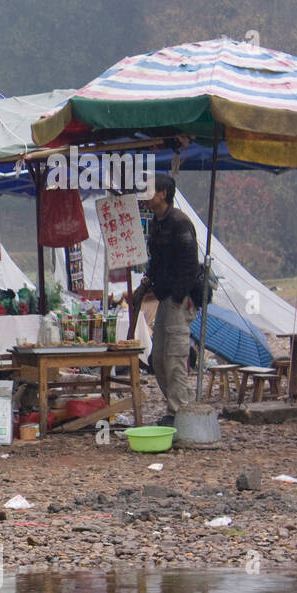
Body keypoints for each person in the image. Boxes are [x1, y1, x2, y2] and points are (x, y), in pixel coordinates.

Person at [129, 174, 200, 424]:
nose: (146, 195)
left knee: (175, 356)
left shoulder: (180, 223)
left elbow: (190, 265)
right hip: (165, 297)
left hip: (180, 298)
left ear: (162, 194)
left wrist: (180, 297)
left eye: (150, 190)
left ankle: (181, 411)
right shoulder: (158, 224)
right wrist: (147, 284)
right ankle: (176, 408)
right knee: (157, 358)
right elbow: (158, 263)